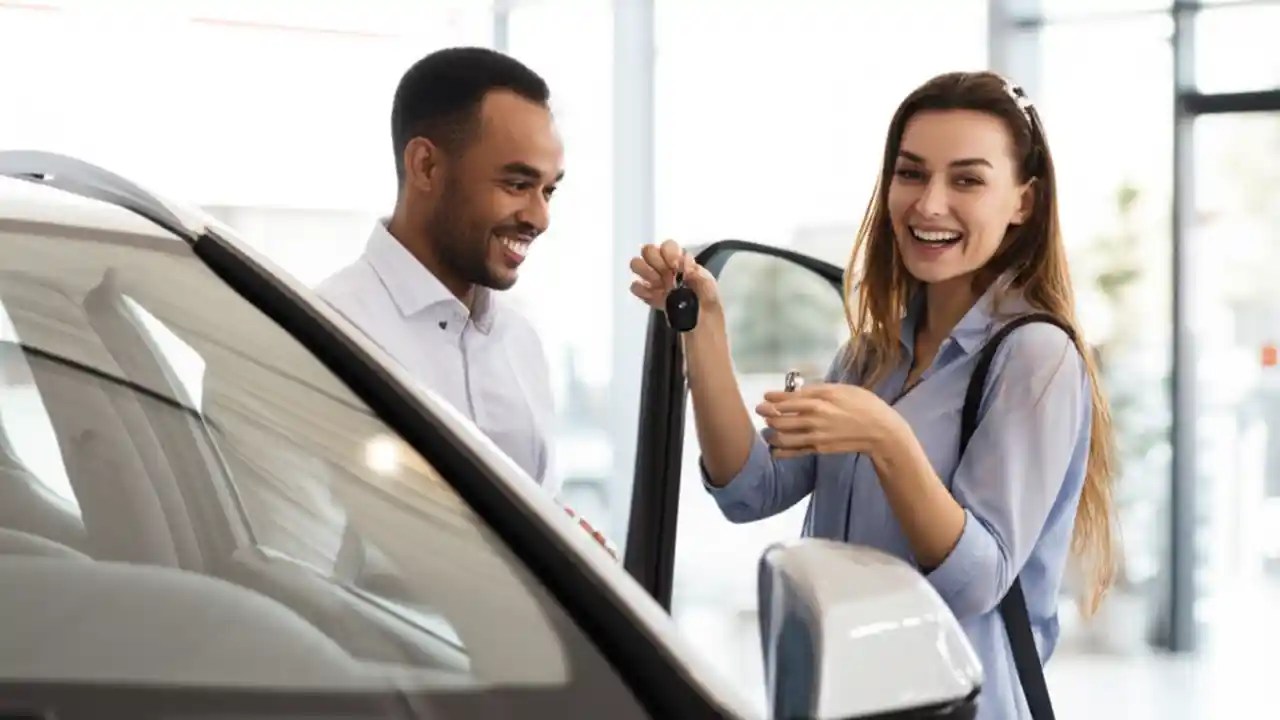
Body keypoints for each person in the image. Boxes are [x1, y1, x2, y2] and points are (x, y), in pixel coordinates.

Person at [629, 71, 1116, 719]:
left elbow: (977, 581)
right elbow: (750, 490)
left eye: (967, 179)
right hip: (840, 700)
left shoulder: (1034, 356)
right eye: (911, 173)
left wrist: (888, 440)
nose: (929, 204)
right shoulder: (870, 354)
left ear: (1023, 201)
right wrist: (705, 330)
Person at [317, 47, 565, 498]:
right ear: (426, 166)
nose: (540, 217)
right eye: (517, 185)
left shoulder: (521, 342)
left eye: (548, 190)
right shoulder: (324, 334)